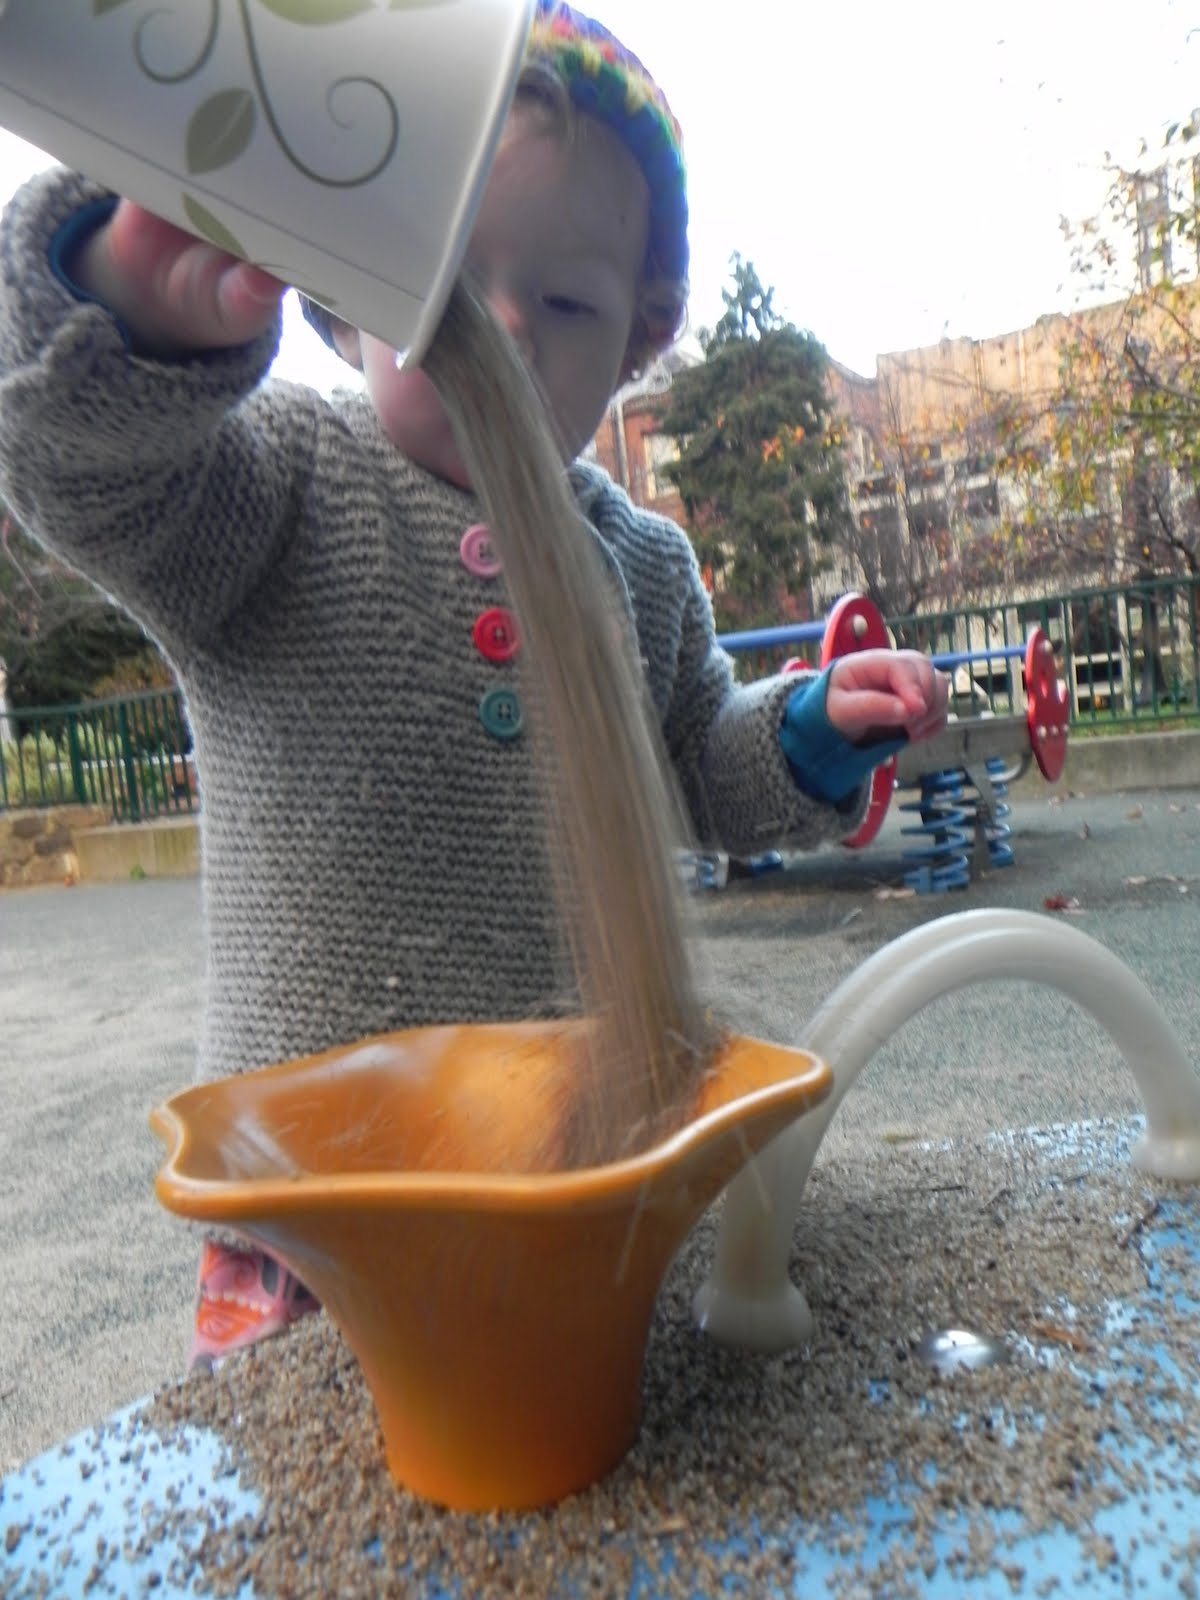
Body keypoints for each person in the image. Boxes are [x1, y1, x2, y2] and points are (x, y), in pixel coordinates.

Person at [0, 1, 947, 1366]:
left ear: (638, 337)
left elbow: (698, 771)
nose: (502, 330)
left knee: (574, 1480)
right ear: (342, 284)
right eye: (444, 281)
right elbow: (78, 476)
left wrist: (806, 732)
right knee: (310, 1529)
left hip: (573, 1169)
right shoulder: (273, 491)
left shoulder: (642, 565)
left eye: (566, 302)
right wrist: (128, 307)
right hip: (313, 1216)